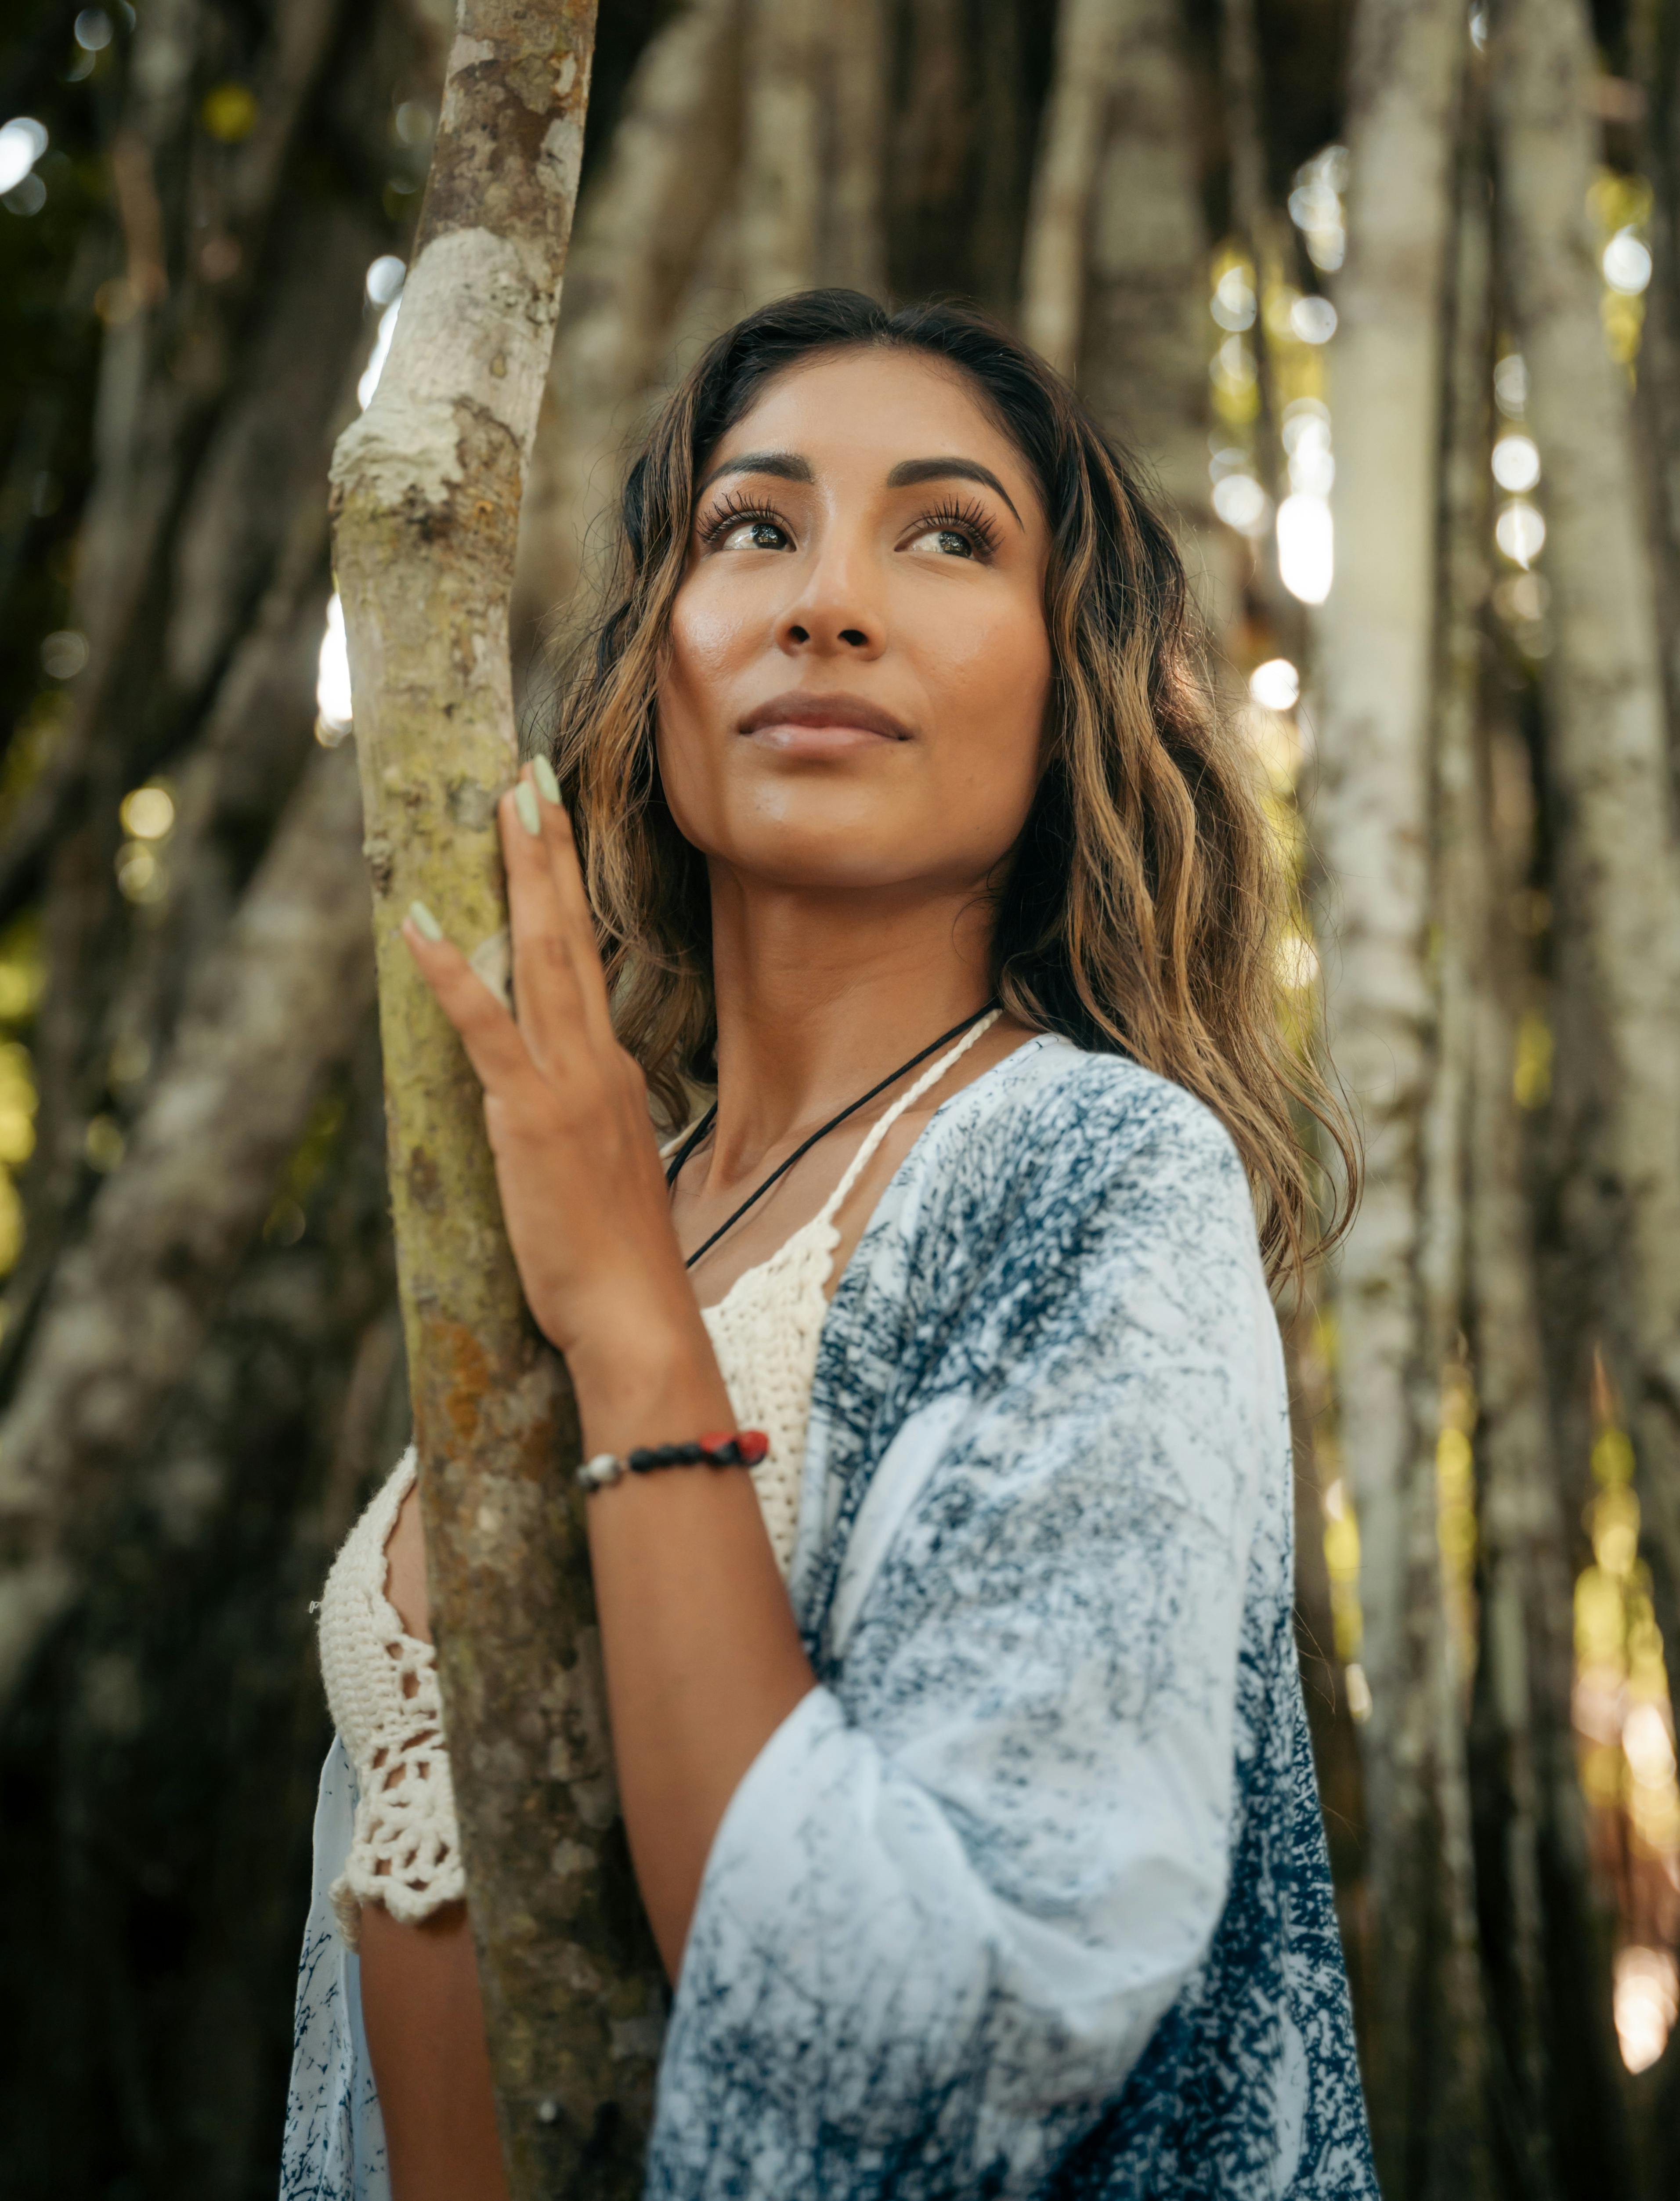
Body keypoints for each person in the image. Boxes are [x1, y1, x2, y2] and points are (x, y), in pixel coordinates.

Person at [281, 288, 1377, 2200]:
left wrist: (634, 1333)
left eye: (946, 533)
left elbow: (936, 2039)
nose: (828, 600)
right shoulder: (602, 1181)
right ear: (656, 654)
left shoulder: (1090, 1170)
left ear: (1067, 687)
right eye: (751, 526)